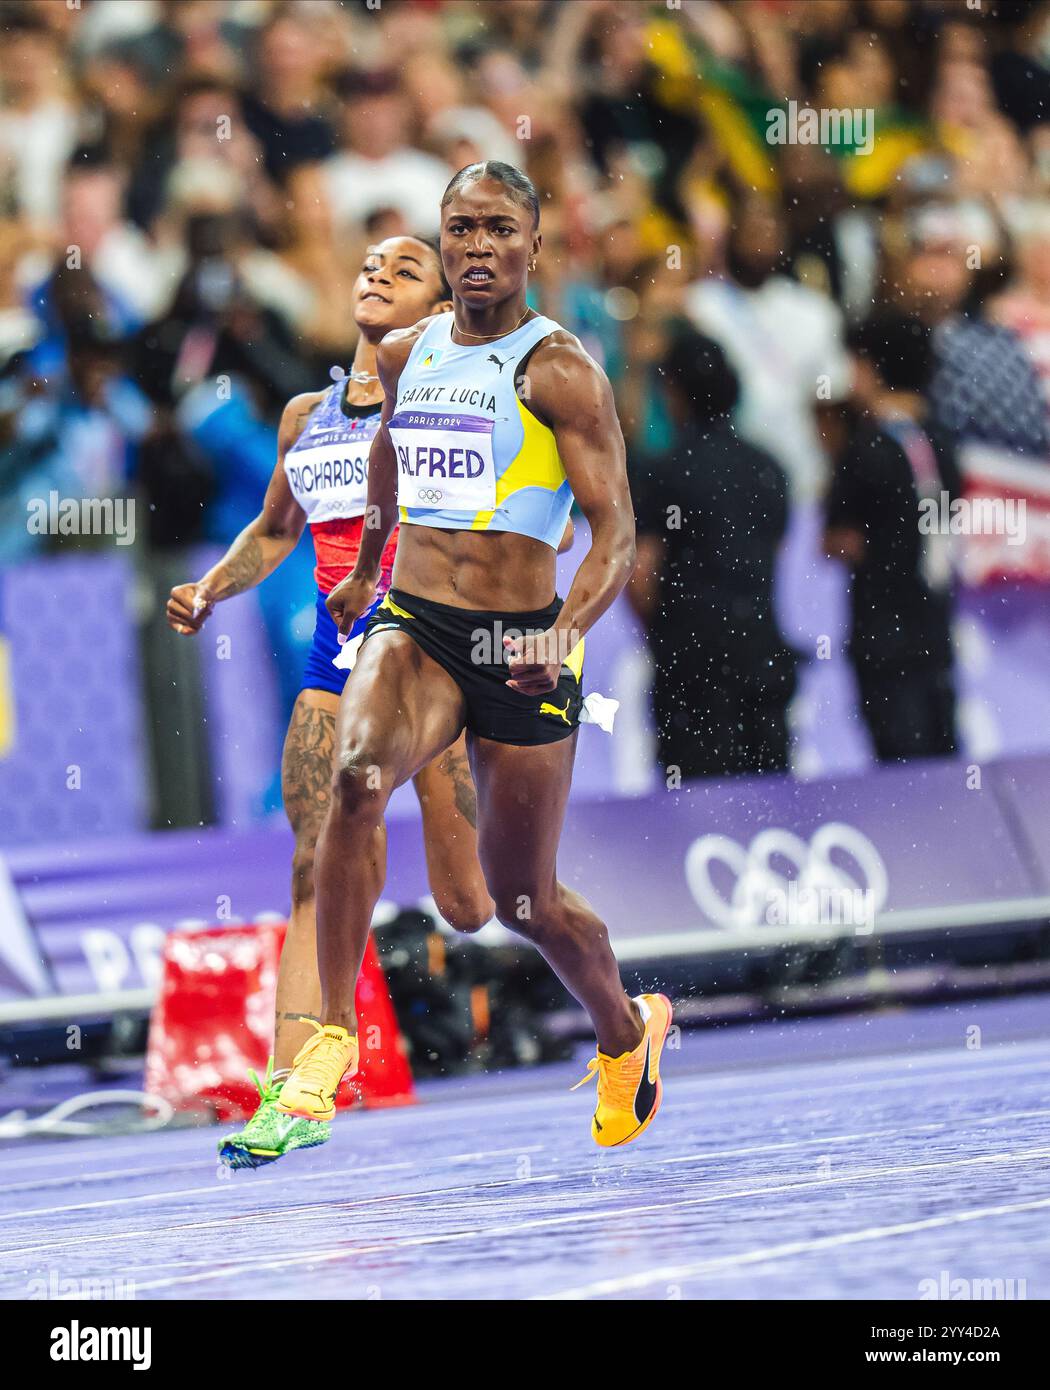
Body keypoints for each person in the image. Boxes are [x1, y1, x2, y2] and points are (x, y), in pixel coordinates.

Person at [276, 161, 672, 1150]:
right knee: (356, 781)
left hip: (522, 642)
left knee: (520, 899)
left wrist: (563, 635)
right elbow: (385, 462)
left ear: (534, 245)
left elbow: (614, 534)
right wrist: (369, 566)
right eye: (461, 229)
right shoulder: (410, 354)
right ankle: (330, 1036)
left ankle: (626, 1032)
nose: (477, 247)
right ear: (444, 242)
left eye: (498, 228)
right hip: (416, 623)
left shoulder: (560, 370)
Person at [166, 235, 494, 1168]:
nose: (378, 273)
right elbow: (275, 531)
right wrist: (213, 588)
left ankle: (619, 1014)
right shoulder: (306, 415)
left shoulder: (442, 400)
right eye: (370, 263)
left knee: (479, 898)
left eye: (406, 269)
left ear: (437, 310)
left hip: (434, 660)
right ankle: (292, 1091)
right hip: (335, 657)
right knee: (314, 866)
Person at [630, 326, 796, 779]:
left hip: (694, 663)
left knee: (698, 800)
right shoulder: (769, 467)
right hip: (762, 652)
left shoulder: (664, 471)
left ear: (675, 392)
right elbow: (775, 552)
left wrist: (666, 634)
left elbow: (641, 574)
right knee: (768, 789)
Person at [824, 312, 961, 762]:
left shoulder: (865, 448)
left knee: (900, 764)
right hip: (934, 628)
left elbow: (840, 542)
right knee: (941, 755)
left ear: (874, 368)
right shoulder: (944, 441)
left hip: (884, 634)